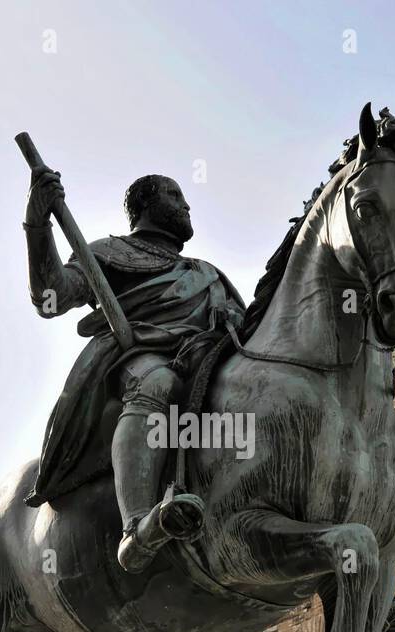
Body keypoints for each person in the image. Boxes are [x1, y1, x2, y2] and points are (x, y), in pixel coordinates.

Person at [22, 167, 246, 572]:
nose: (186, 204)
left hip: (206, 356)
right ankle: (137, 527)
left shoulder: (204, 272)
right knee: (158, 382)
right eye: (175, 196)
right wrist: (37, 224)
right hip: (139, 355)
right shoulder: (110, 252)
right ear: (145, 205)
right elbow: (51, 298)